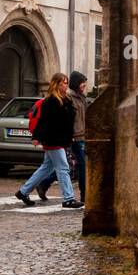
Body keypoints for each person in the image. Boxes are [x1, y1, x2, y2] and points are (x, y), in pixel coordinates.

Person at [14, 73, 82, 209]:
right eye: (64, 83)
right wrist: (36, 137)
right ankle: (68, 198)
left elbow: (68, 121)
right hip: (53, 140)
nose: (66, 85)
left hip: (62, 140)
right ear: (56, 84)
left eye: (67, 83)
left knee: (46, 168)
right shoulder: (50, 101)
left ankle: (23, 192)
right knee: (63, 168)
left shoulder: (66, 100)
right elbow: (43, 121)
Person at [35, 71, 88, 206]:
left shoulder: (82, 98)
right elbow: (57, 120)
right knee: (71, 166)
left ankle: (41, 185)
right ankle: (79, 196)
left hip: (81, 136)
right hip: (72, 137)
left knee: (59, 166)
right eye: (82, 83)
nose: (84, 86)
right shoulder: (67, 98)